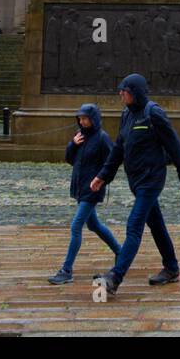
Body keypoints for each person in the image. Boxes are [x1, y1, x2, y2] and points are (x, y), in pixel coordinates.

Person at [90, 73, 180, 295]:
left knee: (134, 226)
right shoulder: (126, 114)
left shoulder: (154, 114)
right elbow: (118, 149)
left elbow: (174, 146)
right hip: (136, 181)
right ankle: (172, 268)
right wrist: (102, 176)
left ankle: (114, 278)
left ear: (135, 93)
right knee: (156, 224)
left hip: (152, 180)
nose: (120, 94)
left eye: (124, 91)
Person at [48, 103, 120, 284]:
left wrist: (101, 180)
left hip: (92, 190)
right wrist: (72, 144)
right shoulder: (80, 136)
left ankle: (66, 270)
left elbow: (112, 163)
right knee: (94, 225)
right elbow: (70, 159)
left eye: (85, 118)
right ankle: (121, 253)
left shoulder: (103, 138)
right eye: (80, 118)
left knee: (76, 226)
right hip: (80, 188)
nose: (81, 121)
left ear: (93, 119)